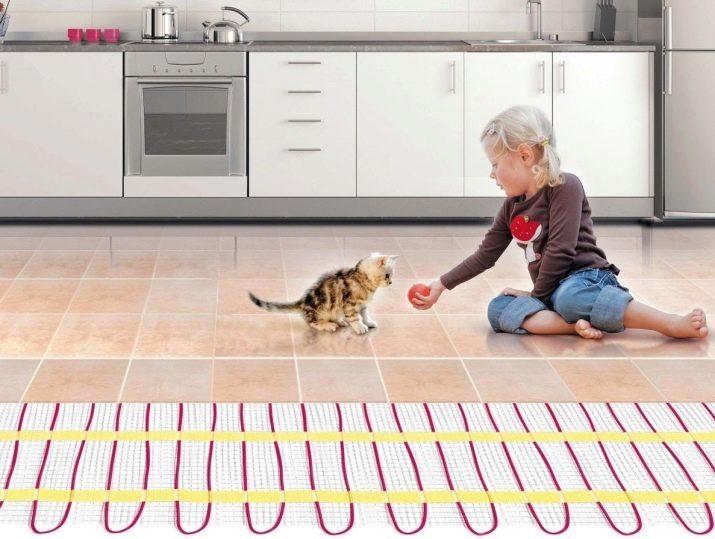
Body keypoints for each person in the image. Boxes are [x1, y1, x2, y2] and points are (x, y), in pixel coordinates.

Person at [411, 104, 708, 340]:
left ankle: (668, 323)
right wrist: (441, 285)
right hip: (551, 290)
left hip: (585, 279)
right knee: (497, 309)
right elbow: (485, 255)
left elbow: (561, 250)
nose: (491, 175)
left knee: (570, 297)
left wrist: (536, 296)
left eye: (495, 164)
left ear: (524, 156)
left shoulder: (566, 187)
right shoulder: (511, 207)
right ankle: (574, 325)